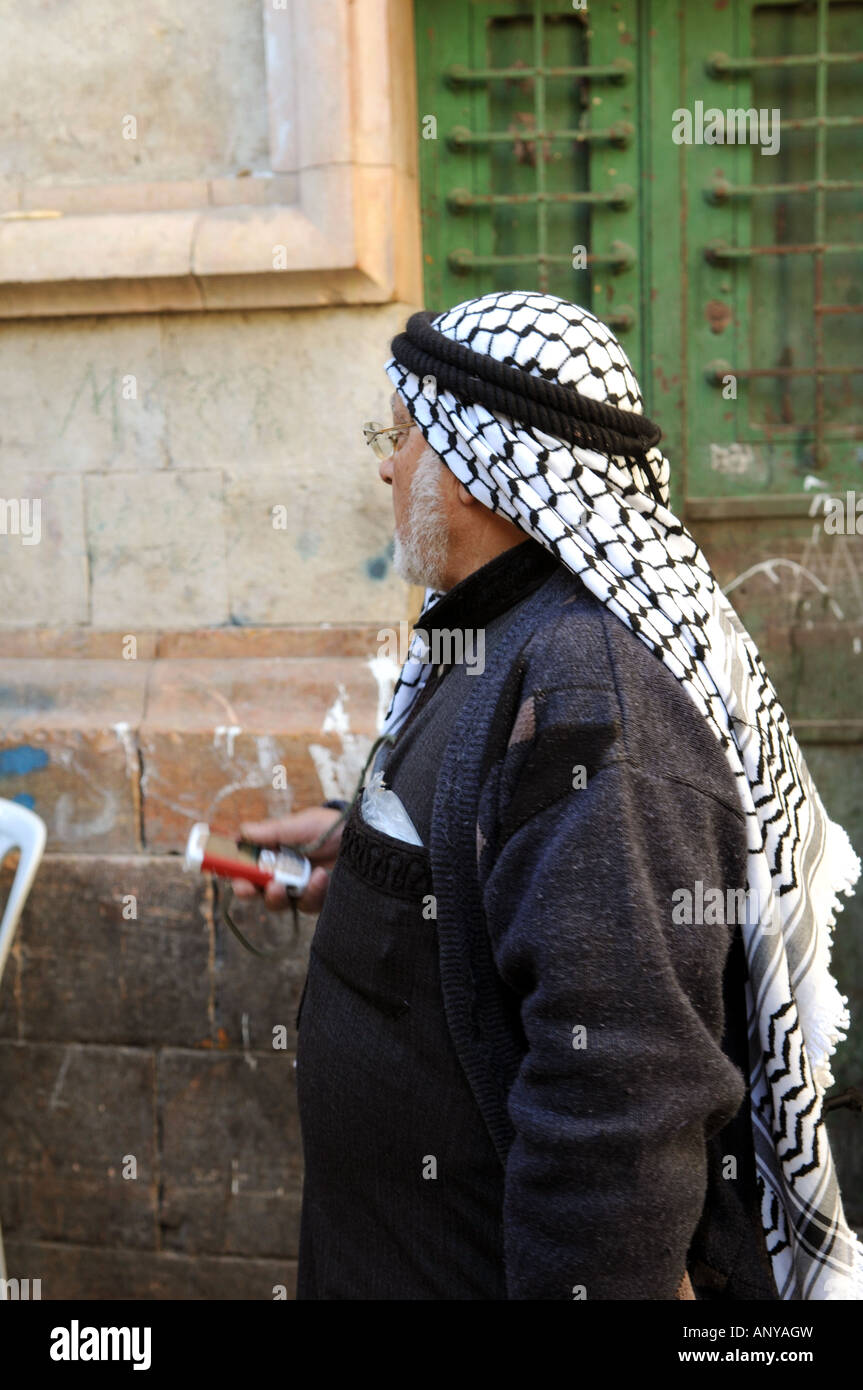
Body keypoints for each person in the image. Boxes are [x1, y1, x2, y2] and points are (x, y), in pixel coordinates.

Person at [233, 292, 861, 1301]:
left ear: (476, 468)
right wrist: (362, 854)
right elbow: (487, 847)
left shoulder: (589, 697)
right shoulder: (491, 631)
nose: (386, 465)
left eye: (399, 437)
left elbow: (615, 1105)